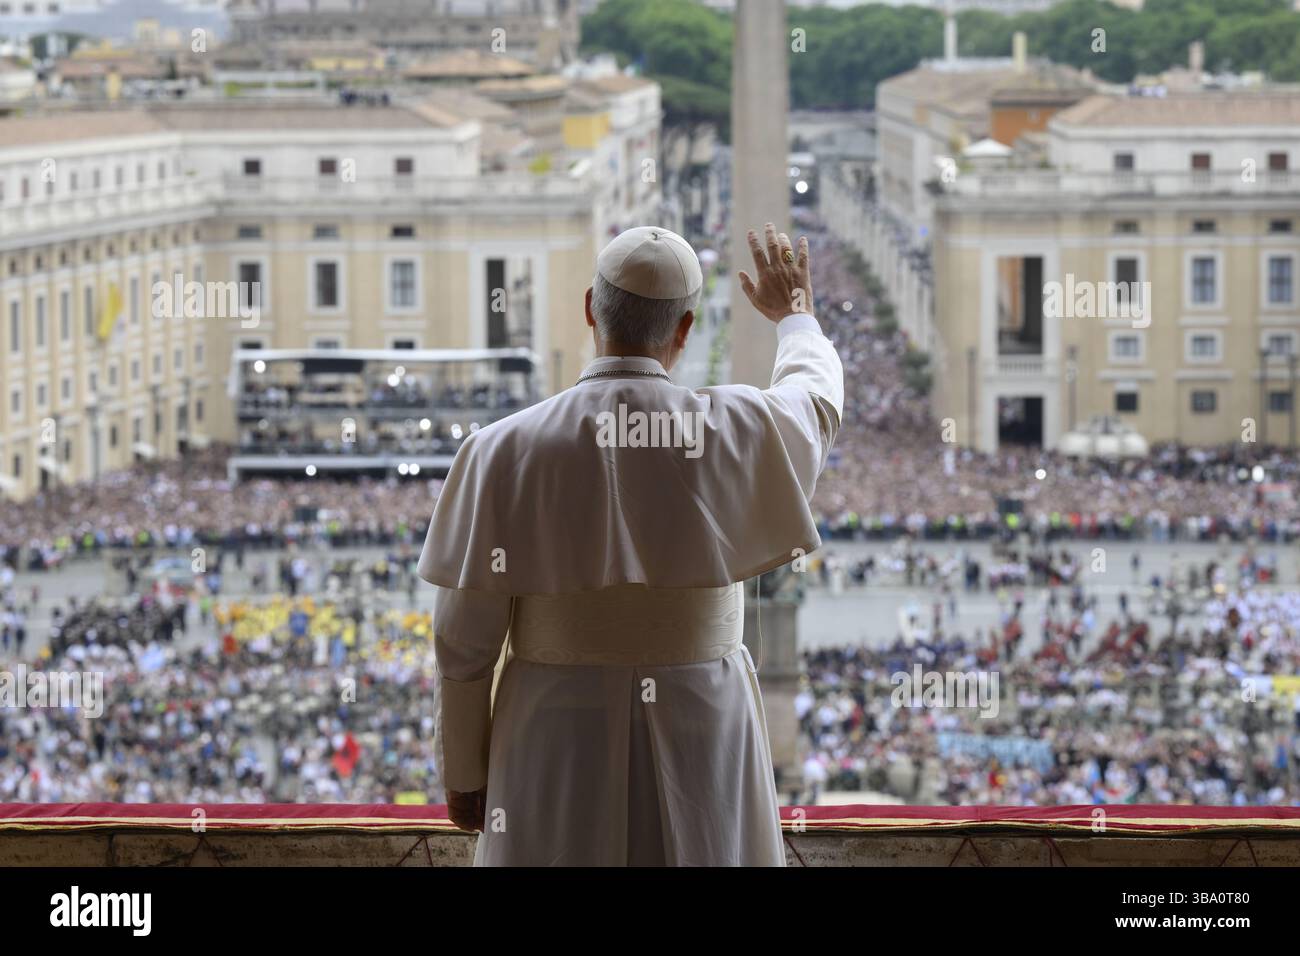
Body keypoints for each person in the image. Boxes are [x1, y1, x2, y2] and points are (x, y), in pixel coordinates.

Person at [419, 223, 844, 866]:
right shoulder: (736, 428)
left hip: (554, 725)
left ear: (591, 308)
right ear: (685, 329)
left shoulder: (499, 449)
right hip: (704, 719)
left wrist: (466, 774)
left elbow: (464, 642)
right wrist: (795, 318)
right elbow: (815, 403)